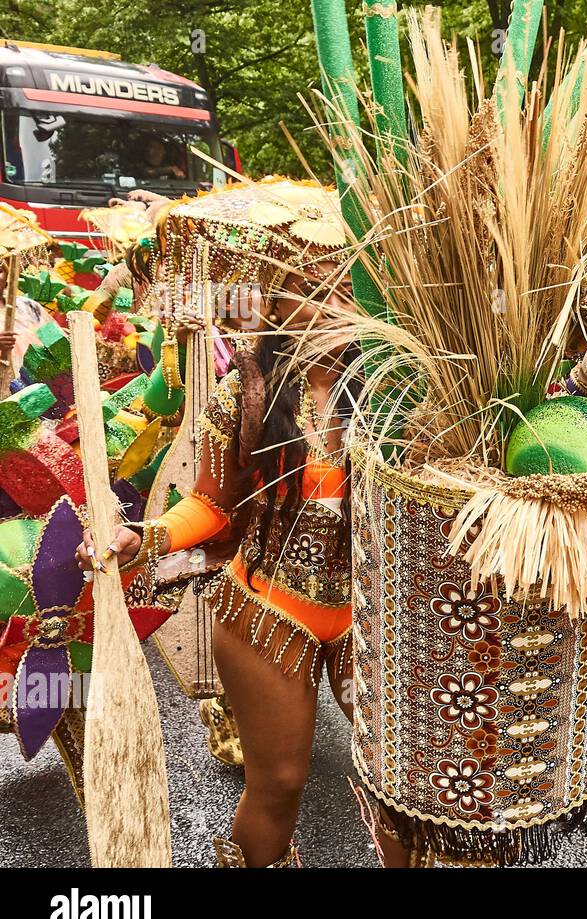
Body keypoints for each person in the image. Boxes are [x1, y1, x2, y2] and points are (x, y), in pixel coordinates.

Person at [75, 179, 407, 868]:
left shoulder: (398, 394)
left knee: (400, 786)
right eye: (308, 290)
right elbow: (212, 504)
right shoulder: (248, 391)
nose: (328, 307)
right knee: (280, 785)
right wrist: (147, 538)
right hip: (267, 614)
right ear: (276, 302)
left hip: (371, 614)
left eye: (345, 290)